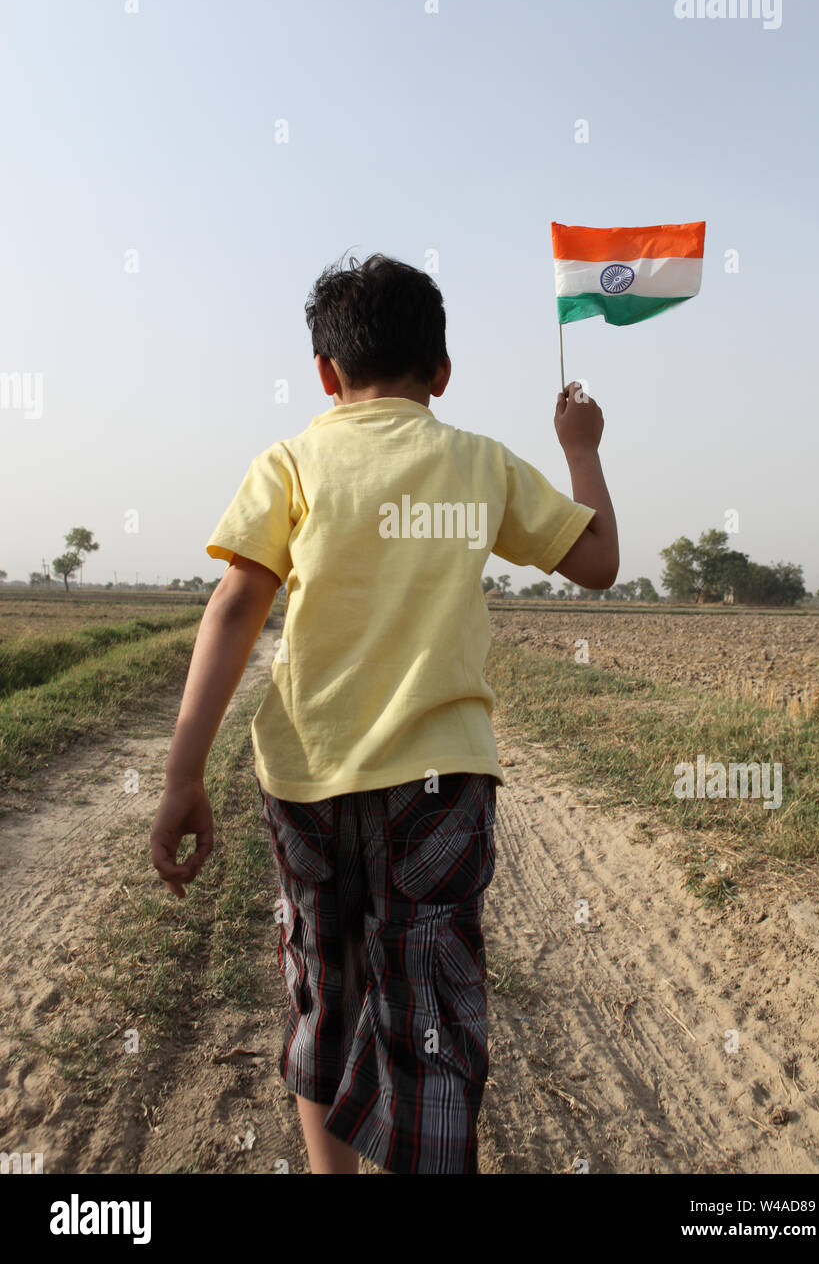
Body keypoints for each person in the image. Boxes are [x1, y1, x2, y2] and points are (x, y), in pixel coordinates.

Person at [150, 252, 618, 1174]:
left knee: (327, 994)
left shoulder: (289, 460)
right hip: (440, 789)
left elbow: (236, 607)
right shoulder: (479, 461)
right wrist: (582, 448)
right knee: (429, 1011)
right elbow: (598, 560)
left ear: (325, 374)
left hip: (305, 779)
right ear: (441, 374)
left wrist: (180, 774)